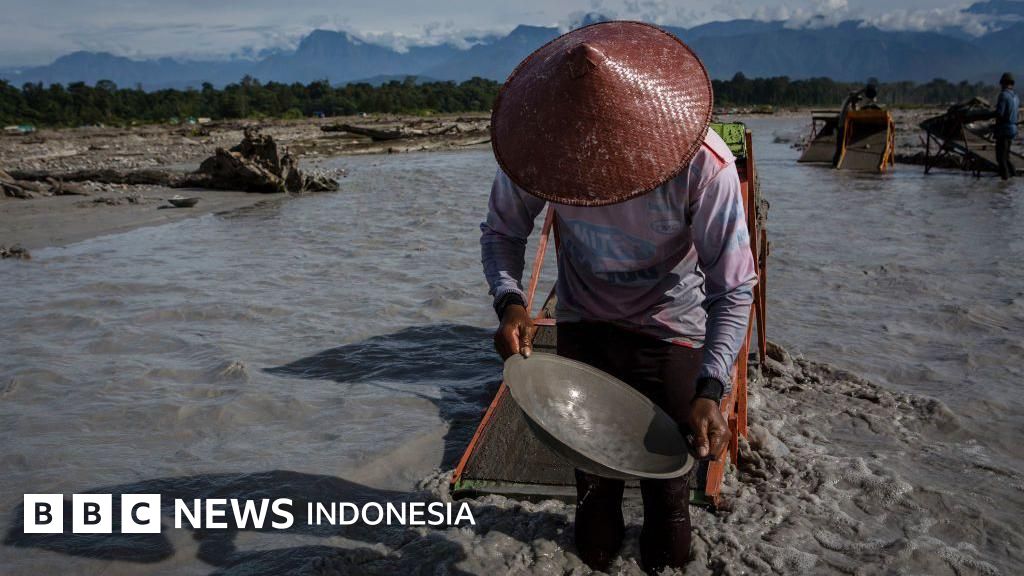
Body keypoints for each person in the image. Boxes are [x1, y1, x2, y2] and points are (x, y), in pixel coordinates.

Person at [479, 21, 757, 573]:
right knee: (594, 493)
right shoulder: (541, 152)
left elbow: (733, 286)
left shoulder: (704, 163)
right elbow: (502, 233)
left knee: (669, 502)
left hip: (673, 330)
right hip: (586, 324)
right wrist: (509, 301)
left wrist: (712, 385)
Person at [832, 83, 879, 167]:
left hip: (846, 128)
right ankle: (835, 164)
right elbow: (854, 98)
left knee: (842, 147)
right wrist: (864, 89)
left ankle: (838, 164)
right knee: (840, 148)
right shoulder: (847, 102)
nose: (858, 101)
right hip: (843, 127)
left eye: (858, 100)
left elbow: (856, 113)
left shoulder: (852, 106)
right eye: (857, 99)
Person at [993, 72, 1019, 180]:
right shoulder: (1015, 97)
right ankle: (1014, 179)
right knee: (1006, 156)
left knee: (1001, 158)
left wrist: (989, 115)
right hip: (1012, 129)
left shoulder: (1003, 95)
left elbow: (1000, 113)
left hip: (1004, 130)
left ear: (1003, 83)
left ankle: (1005, 182)